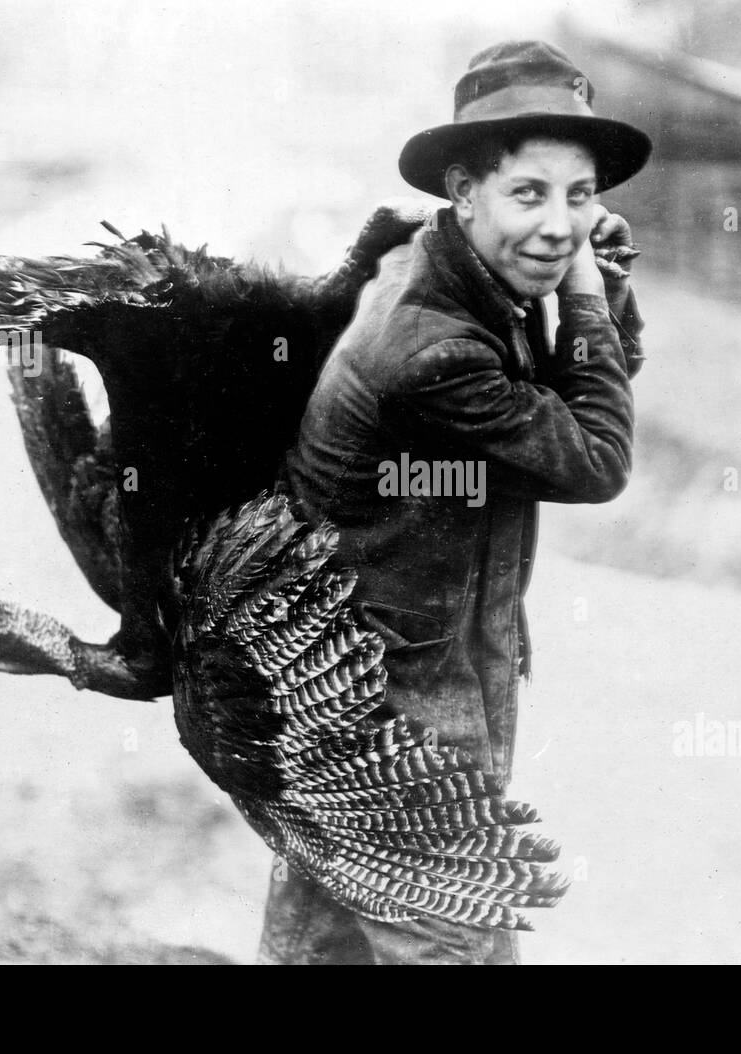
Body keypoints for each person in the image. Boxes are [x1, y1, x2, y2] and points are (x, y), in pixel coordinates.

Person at [262, 39, 652, 964]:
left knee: (327, 957)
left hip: (370, 686)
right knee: (458, 953)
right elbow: (593, 458)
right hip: (396, 724)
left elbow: (573, 402)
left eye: (581, 194)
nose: (560, 226)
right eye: (529, 194)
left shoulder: (451, 275)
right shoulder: (432, 343)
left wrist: (606, 296)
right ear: (464, 190)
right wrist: (591, 300)